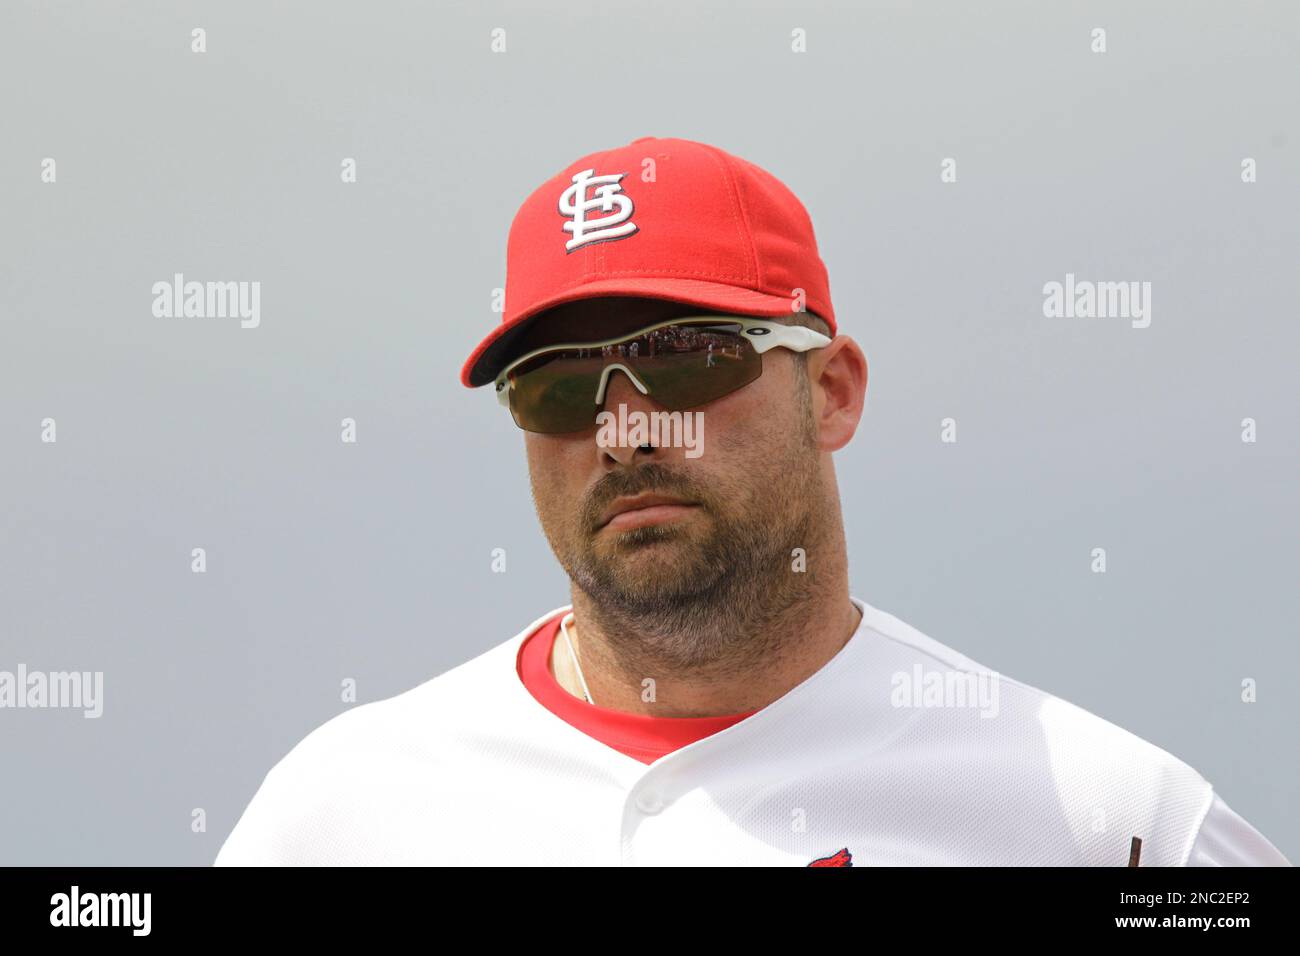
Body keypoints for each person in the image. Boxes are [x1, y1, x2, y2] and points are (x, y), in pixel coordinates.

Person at [214, 137, 1290, 866]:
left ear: (830, 390)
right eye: (556, 384)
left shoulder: (1106, 817)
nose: (627, 429)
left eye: (684, 358)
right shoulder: (342, 811)